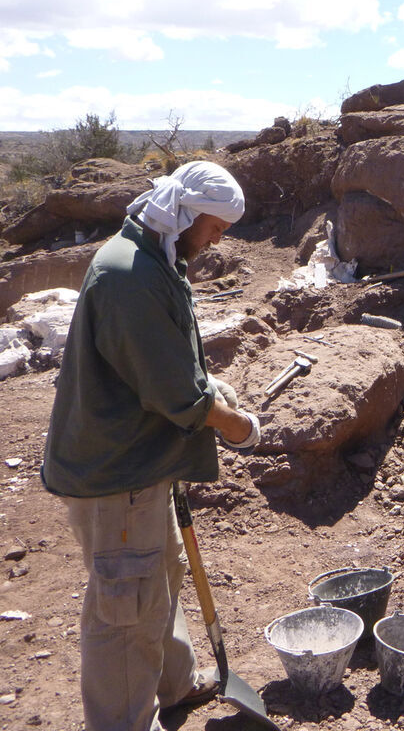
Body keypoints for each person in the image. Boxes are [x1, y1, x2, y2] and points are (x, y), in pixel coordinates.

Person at [42, 160, 261, 731]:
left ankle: (175, 685)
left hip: (140, 463)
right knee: (126, 610)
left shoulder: (153, 259)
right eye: (215, 227)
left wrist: (209, 385)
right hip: (117, 475)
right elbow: (176, 396)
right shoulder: (129, 276)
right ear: (185, 214)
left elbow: (159, 363)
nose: (218, 240)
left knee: (158, 576)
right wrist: (235, 425)